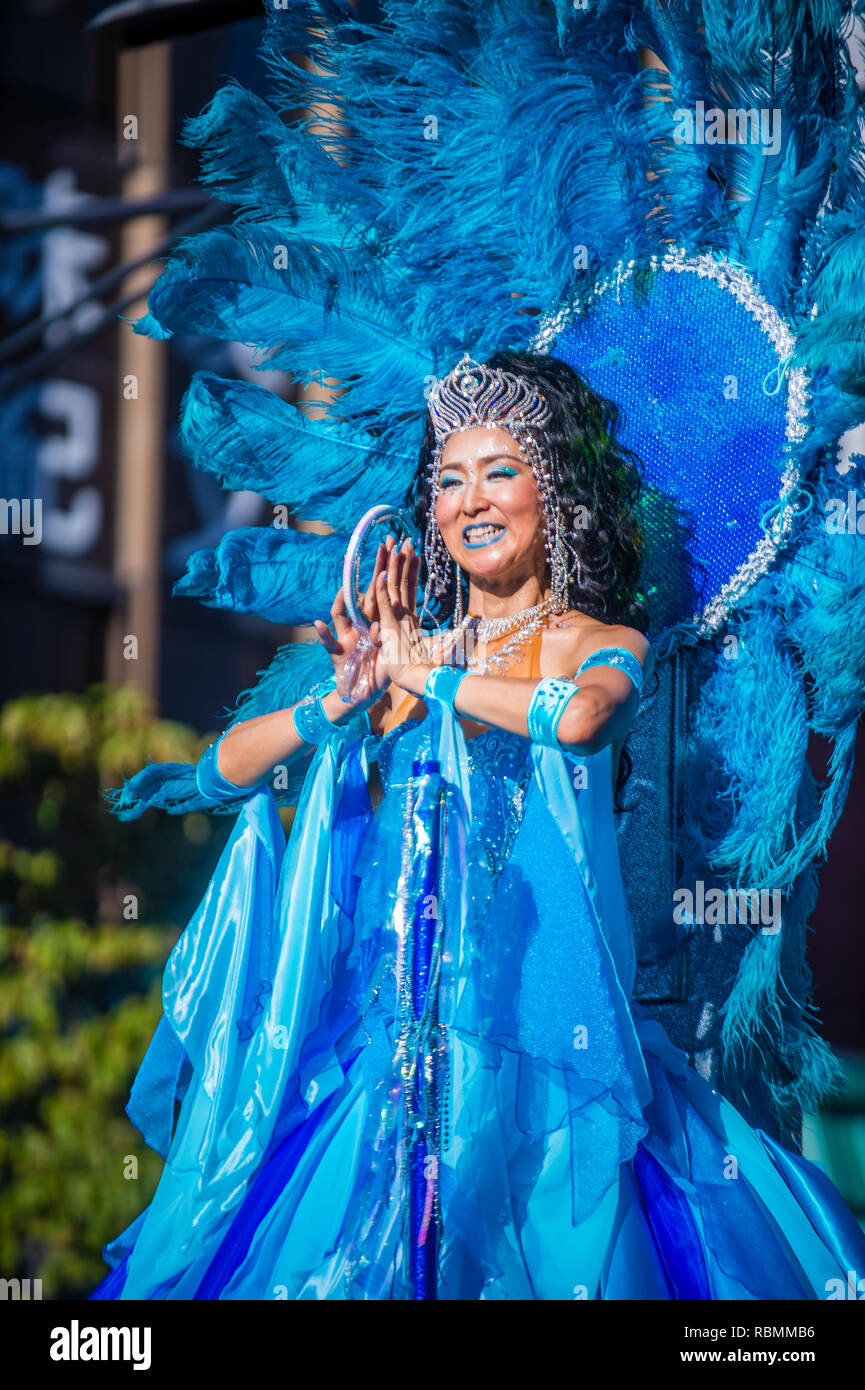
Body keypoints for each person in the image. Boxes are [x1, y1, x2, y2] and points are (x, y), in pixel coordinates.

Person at [93, 352, 865, 1300]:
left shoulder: (595, 640)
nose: (471, 500)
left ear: (559, 497)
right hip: (377, 1067)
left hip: (547, 1061)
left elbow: (582, 720)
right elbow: (221, 773)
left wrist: (426, 677)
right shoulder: (401, 650)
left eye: (501, 472)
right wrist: (340, 698)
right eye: (450, 479)